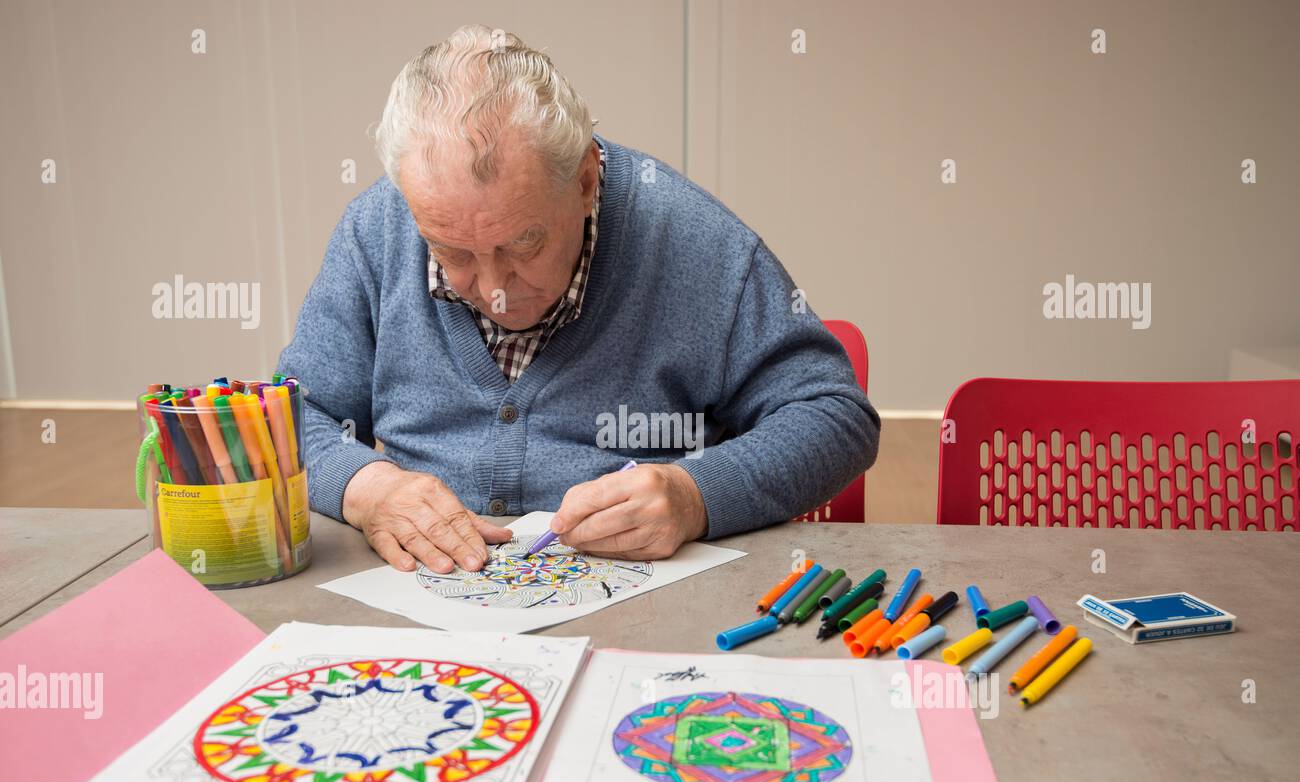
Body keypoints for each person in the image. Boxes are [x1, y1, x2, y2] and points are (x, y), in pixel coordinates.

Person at [278, 24, 880, 575]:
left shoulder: (696, 242)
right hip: (420, 605)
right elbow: (290, 416)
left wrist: (695, 495)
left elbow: (835, 417)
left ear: (587, 181)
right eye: (452, 253)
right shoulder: (375, 230)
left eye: (523, 244)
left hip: (639, 616)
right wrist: (370, 488)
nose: (492, 287)